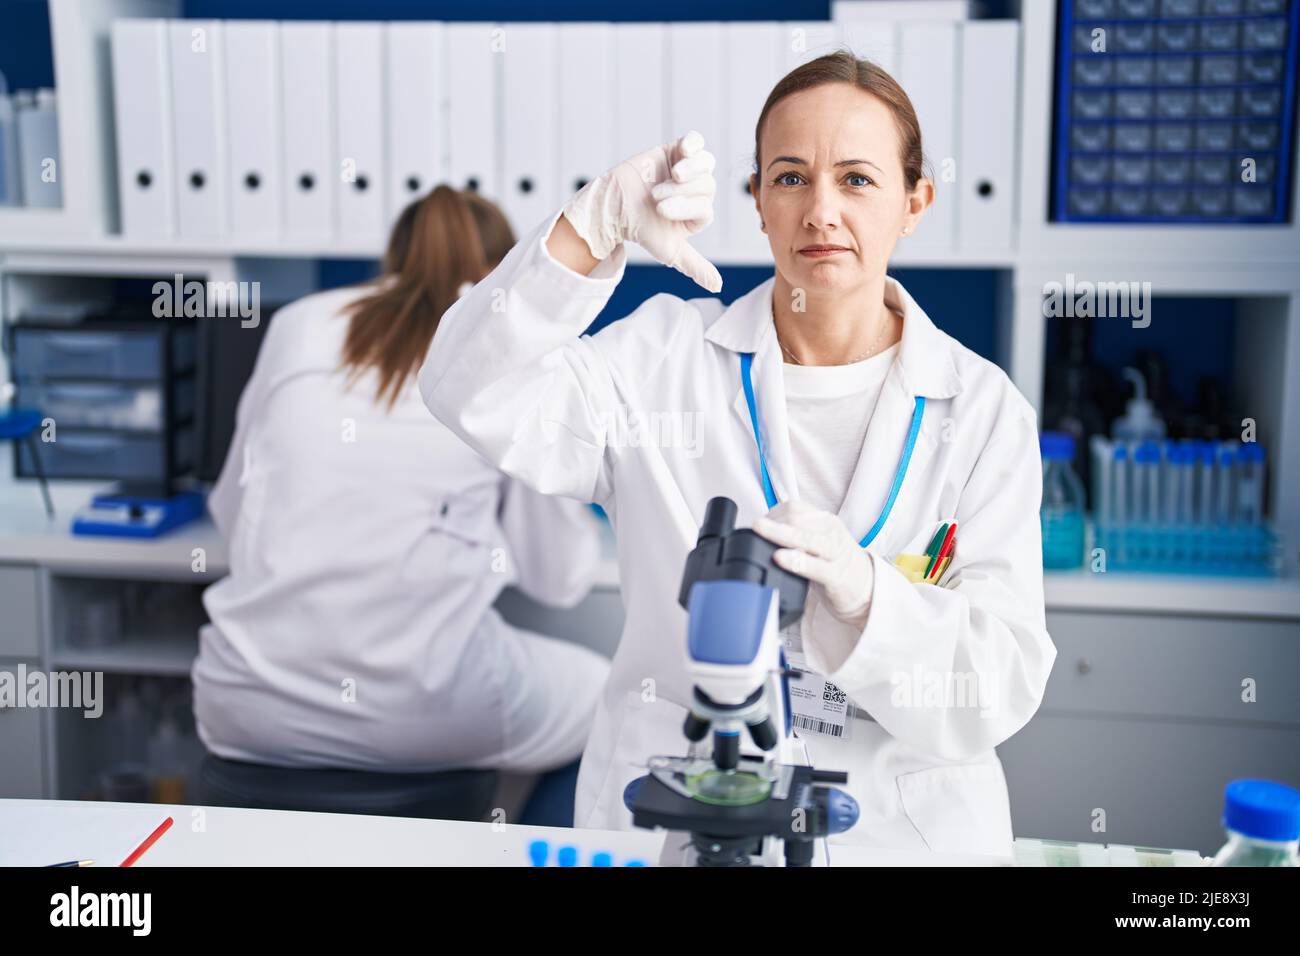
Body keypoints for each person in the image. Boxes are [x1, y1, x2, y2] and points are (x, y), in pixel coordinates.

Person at [419, 52, 1056, 856]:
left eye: (857, 179)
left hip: (895, 837)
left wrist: (869, 599)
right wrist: (591, 227)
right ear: (757, 201)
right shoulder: (661, 361)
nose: (821, 211)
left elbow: (996, 687)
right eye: (789, 178)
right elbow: (466, 389)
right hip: (680, 821)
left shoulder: (984, 410)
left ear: (914, 201)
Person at [193, 186, 610, 797]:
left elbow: (231, 514)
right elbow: (561, 577)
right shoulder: (505, 346)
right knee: (615, 700)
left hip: (245, 704)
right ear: (503, 268)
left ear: (394, 256)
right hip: (421, 714)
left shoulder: (298, 324)